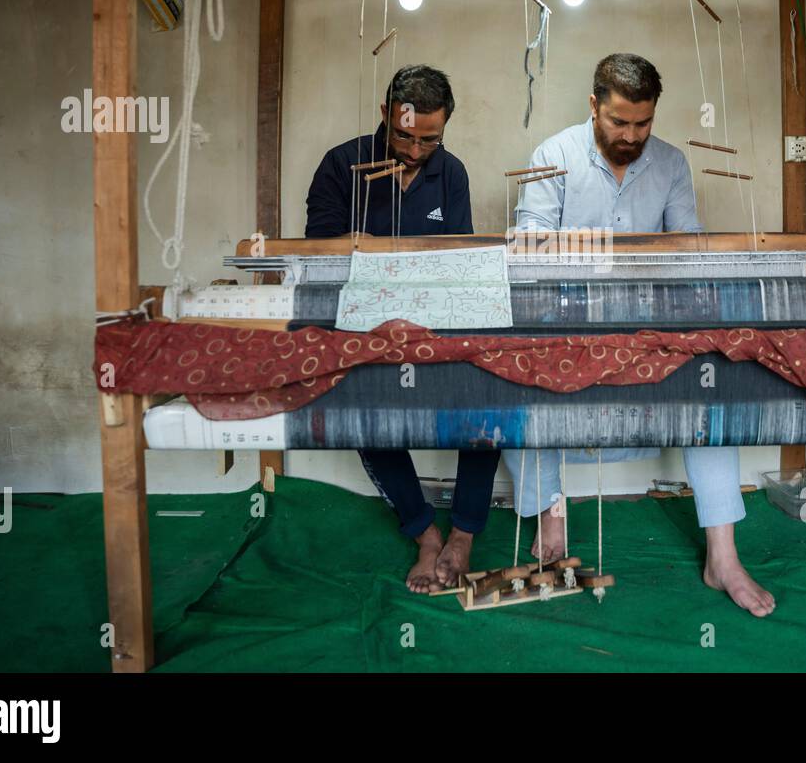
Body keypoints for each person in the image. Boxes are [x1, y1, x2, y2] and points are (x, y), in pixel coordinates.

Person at [509, 53, 776, 617]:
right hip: (568, 320)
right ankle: (551, 516)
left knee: (710, 385)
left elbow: (688, 249)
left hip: (649, 322)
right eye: (618, 122)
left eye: (643, 123)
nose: (631, 136)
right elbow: (529, 250)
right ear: (593, 106)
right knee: (515, 376)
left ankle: (723, 557)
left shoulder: (671, 163)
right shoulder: (553, 156)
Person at [306, 64, 492, 594]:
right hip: (362, 325)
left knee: (489, 393)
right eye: (404, 136)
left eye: (428, 140)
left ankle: (463, 534)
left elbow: (458, 263)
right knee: (360, 406)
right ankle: (424, 534)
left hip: (435, 322)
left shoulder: (450, 173)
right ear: (386, 113)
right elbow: (318, 259)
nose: (413, 151)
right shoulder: (341, 165)